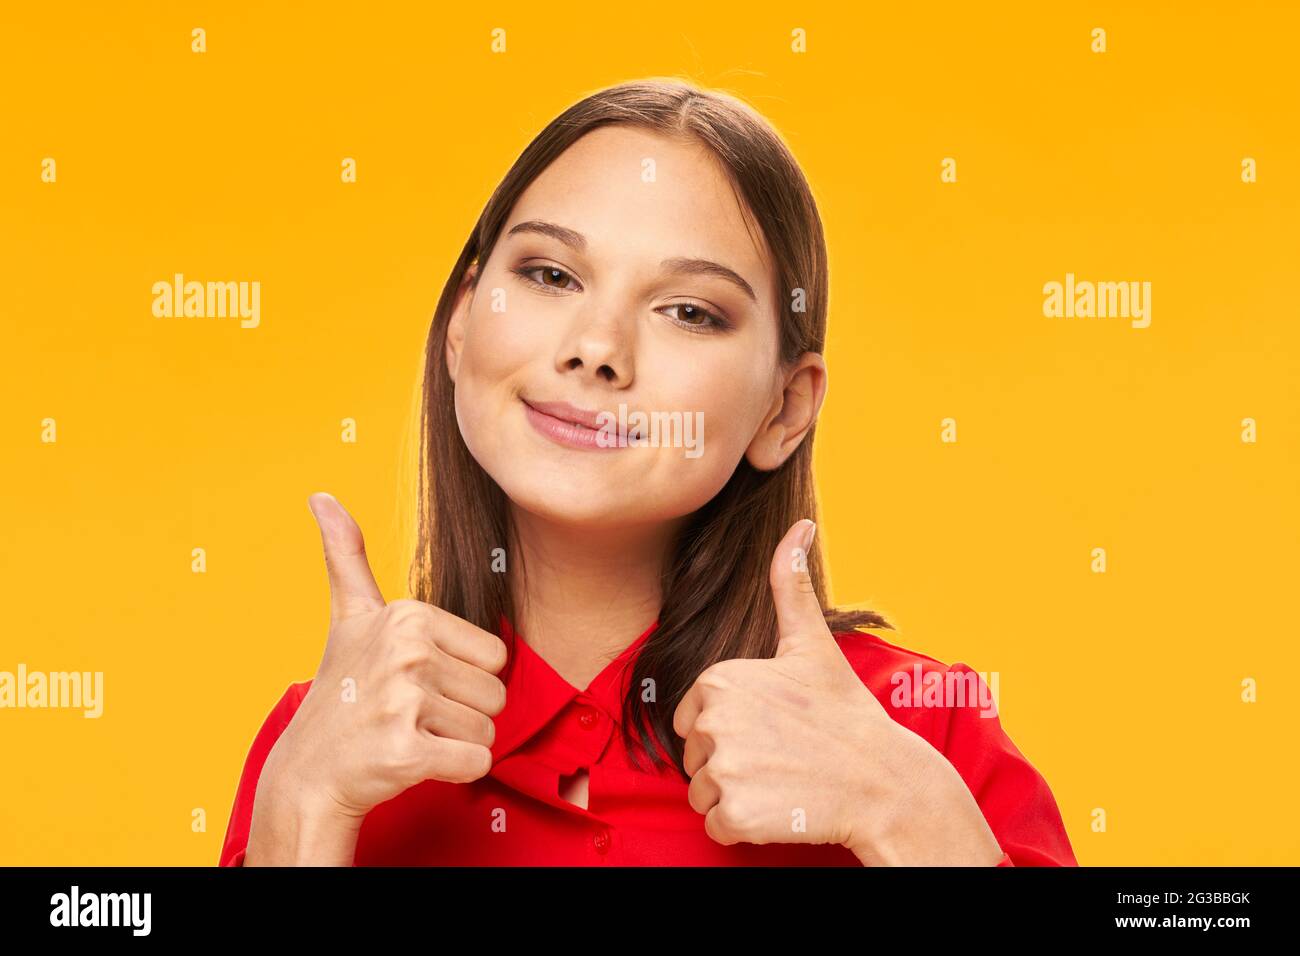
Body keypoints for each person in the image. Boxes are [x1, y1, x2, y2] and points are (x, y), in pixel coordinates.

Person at [219, 78, 1077, 867]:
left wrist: (912, 817)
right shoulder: (324, 738)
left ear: (785, 408)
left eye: (688, 311)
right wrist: (302, 803)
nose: (597, 350)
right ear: (459, 329)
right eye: (550, 274)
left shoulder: (923, 729)